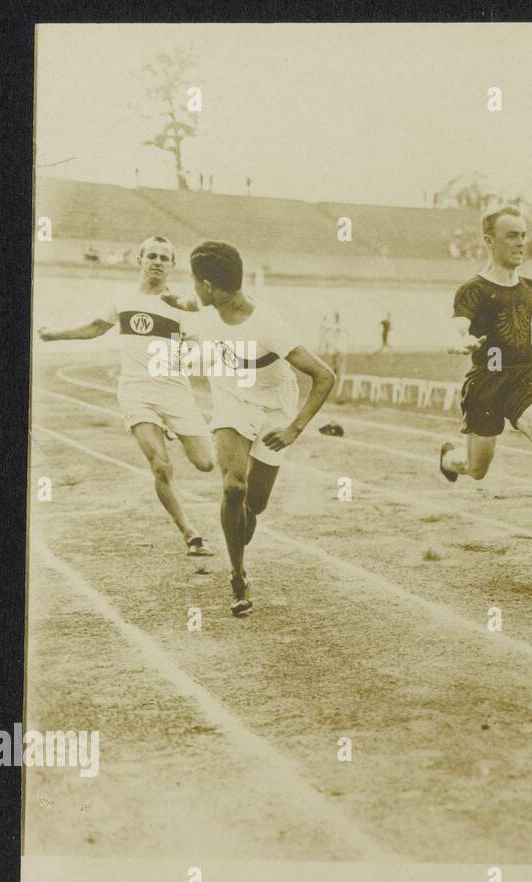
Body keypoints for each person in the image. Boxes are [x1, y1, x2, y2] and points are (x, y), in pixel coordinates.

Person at [37, 235, 217, 556]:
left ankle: (171, 426)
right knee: (161, 467)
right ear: (140, 260)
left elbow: (194, 345)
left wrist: (185, 355)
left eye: (165, 258)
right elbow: (96, 327)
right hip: (136, 392)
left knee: (206, 463)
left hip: (174, 392)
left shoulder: (180, 305)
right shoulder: (121, 297)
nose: (158, 262)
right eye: (152, 256)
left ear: (172, 266)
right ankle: (190, 534)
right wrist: (54, 336)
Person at [187, 241, 336, 615]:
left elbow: (324, 376)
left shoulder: (269, 325)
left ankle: (244, 518)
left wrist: (294, 429)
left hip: (274, 407)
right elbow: (176, 304)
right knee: (233, 487)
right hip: (231, 402)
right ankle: (237, 576)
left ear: (207, 286)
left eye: (194, 283)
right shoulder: (204, 311)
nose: (192, 290)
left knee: (255, 503)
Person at [438, 207, 532, 570]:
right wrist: (462, 342)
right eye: (512, 235)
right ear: (489, 240)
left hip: (523, 379)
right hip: (486, 383)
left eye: (523, 235)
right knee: (477, 470)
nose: (521, 242)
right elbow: (457, 327)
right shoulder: (473, 290)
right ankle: (449, 458)